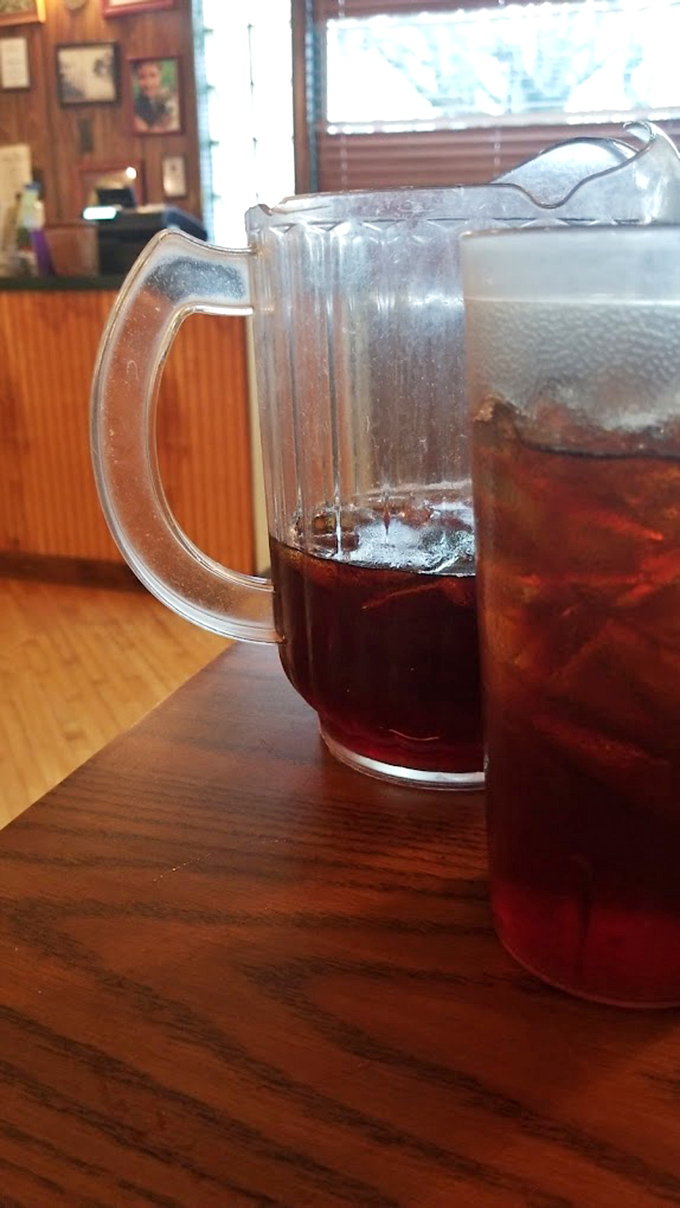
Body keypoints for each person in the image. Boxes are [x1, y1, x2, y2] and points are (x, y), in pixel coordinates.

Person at [132, 60, 179, 134]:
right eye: (142, 77)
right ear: (135, 79)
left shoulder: (171, 97)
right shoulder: (135, 110)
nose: (148, 83)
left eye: (153, 75)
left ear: (161, 74)